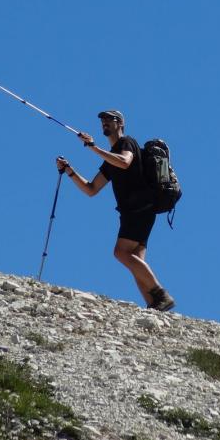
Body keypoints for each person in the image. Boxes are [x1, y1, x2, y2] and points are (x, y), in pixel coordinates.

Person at [55, 110, 175, 311]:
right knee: (135, 260)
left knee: (120, 253)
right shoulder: (110, 161)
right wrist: (69, 170)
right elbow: (91, 189)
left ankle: (161, 294)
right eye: (102, 120)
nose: (104, 122)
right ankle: (155, 306)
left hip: (138, 209)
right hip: (135, 211)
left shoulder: (127, 143)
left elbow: (125, 161)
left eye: (109, 119)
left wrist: (93, 147)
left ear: (120, 123)